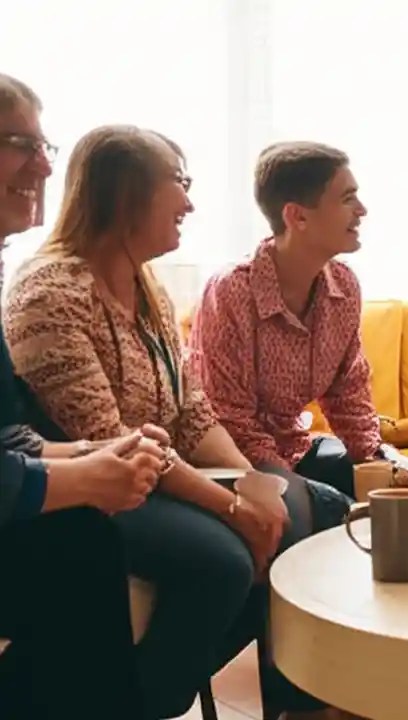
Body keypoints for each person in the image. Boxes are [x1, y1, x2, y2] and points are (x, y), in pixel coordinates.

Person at [3, 124, 349, 719]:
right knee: (223, 560)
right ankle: (146, 700)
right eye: (179, 182)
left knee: (308, 509)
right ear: (126, 193)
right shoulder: (50, 290)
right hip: (97, 487)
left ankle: (295, 707)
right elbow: (111, 439)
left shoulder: (149, 288)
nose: (189, 202)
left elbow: (190, 409)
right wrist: (233, 508)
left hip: (163, 469)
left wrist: (252, 485)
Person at [0, 71, 165, 720]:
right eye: (20, 145)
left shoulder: (150, 292)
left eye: (44, 147)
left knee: (81, 543)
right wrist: (83, 478)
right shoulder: (50, 287)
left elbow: (9, 434)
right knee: (81, 546)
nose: (45, 167)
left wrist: (91, 454)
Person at [188, 141, 381, 499]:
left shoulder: (344, 285)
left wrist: (376, 464)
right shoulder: (231, 290)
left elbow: (348, 395)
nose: (362, 210)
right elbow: (227, 419)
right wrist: (292, 486)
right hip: (233, 460)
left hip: (295, 449)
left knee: (404, 491)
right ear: (298, 216)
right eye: (347, 198)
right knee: (325, 504)